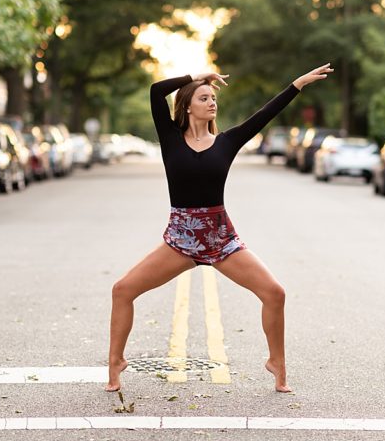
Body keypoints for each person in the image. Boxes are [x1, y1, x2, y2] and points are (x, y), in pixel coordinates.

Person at [106, 63, 334, 393]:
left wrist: (296, 84)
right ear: (186, 106)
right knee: (122, 290)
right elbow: (156, 91)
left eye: (213, 98)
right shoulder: (170, 138)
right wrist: (196, 77)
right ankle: (115, 363)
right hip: (180, 241)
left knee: (275, 293)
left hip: (220, 239)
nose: (212, 102)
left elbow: (265, 114)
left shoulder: (227, 142)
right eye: (204, 97)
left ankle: (277, 363)